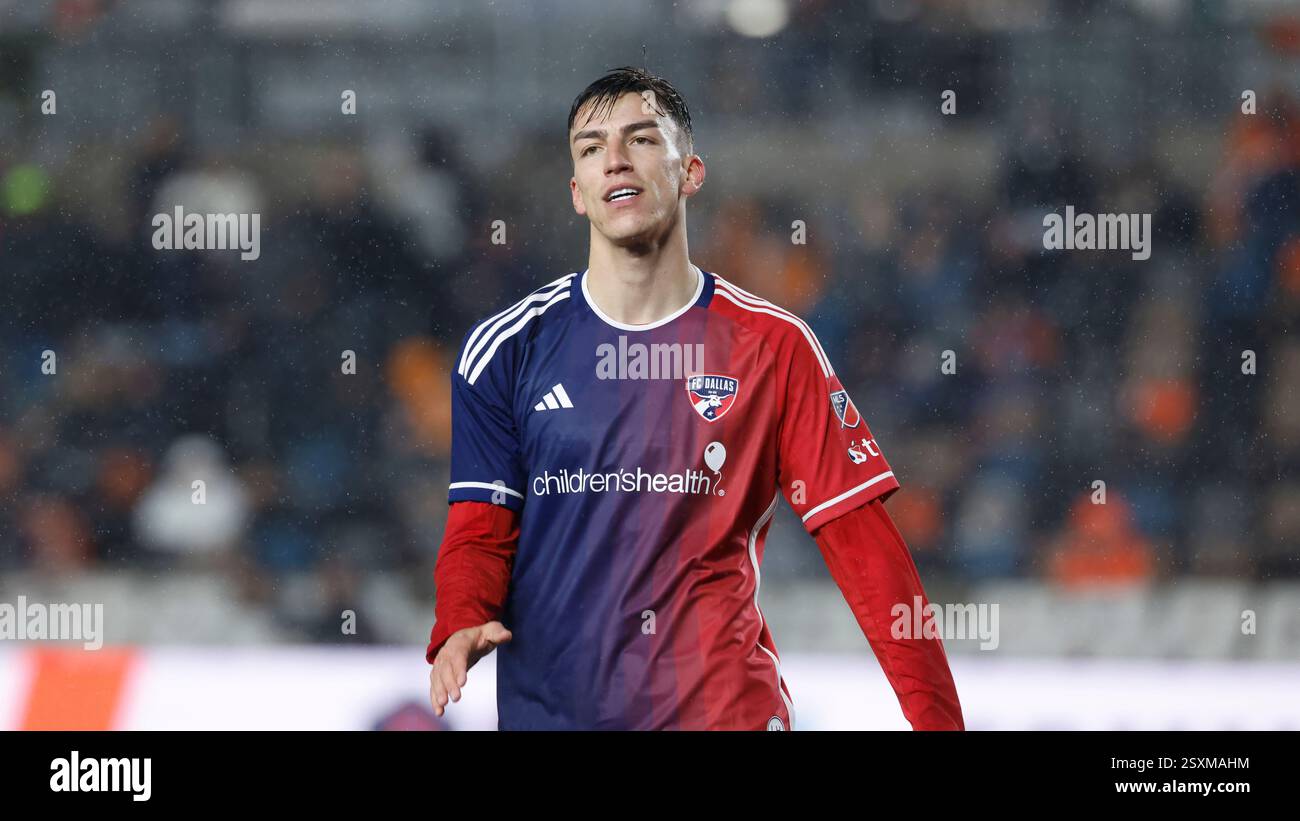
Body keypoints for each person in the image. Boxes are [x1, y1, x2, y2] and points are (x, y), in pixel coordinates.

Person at [426, 66, 963, 730]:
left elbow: (867, 552)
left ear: (691, 172)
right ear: (576, 191)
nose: (615, 159)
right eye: (591, 149)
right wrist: (459, 620)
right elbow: (480, 530)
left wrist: (940, 723)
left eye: (641, 139)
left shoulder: (772, 348)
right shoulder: (506, 349)